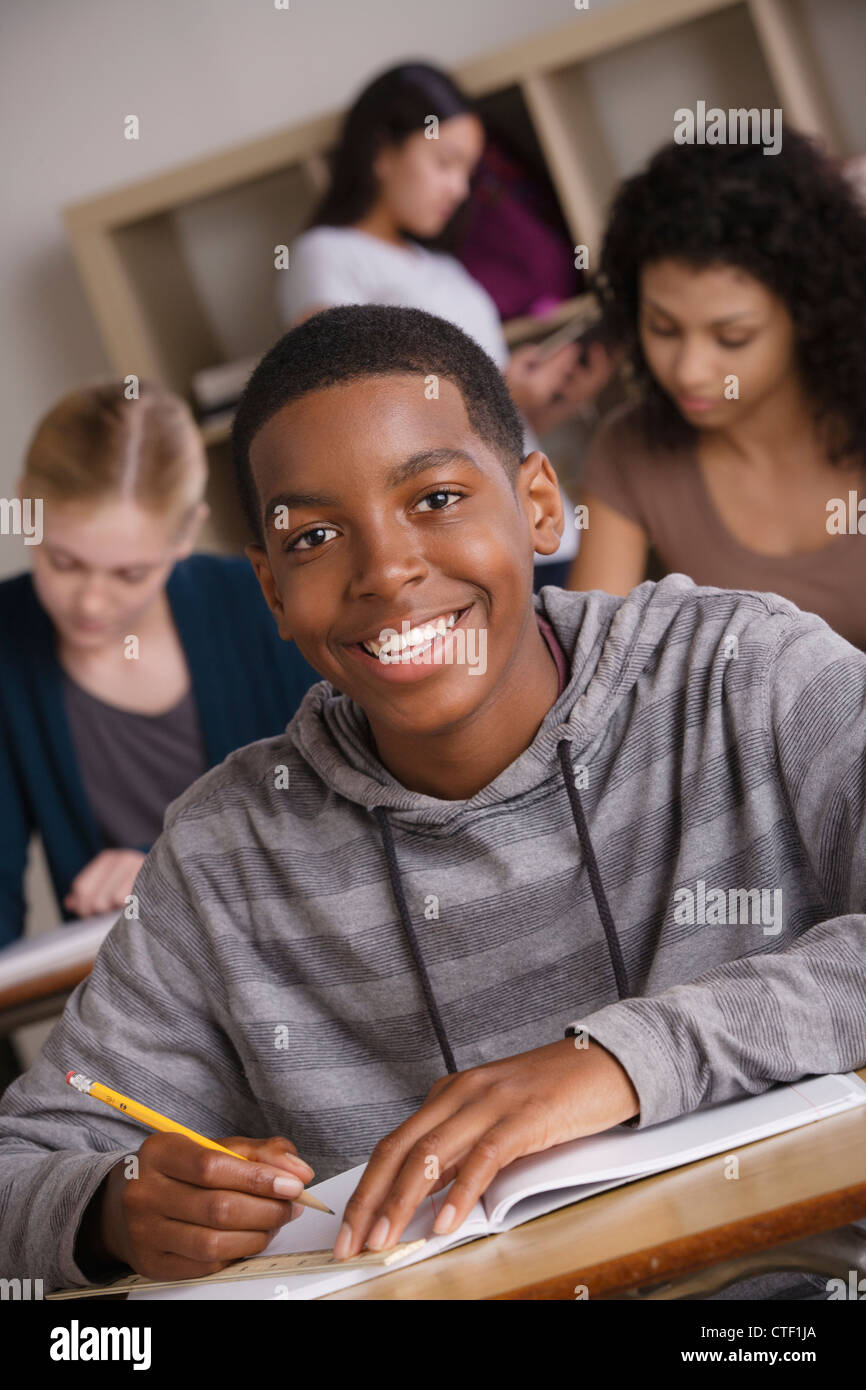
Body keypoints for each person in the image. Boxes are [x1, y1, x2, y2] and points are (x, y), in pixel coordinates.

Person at [0, 306, 863, 1302]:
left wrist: (621, 1062)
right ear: (272, 593)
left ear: (540, 505)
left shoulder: (740, 673)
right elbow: (23, 1164)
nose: (385, 571)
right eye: (314, 535)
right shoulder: (223, 854)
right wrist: (113, 1205)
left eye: (437, 496)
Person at [0, 380, 320, 949]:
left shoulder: (265, 607)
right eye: (64, 562)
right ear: (24, 509)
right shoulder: (7, 642)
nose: (91, 603)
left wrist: (168, 868)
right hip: (142, 1005)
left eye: (130, 574)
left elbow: (343, 816)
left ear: (185, 534)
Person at [277, 61, 615, 589]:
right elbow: (356, 420)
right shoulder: (328, 256)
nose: (459, 189)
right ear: (383, 152)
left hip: (541, 522)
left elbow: (481, 430)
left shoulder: (442, 265)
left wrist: (552, 397)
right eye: (444, 163)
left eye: (467, 172)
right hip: (475, 539)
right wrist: (502, 390)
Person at [566, 131, 866, 649]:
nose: (689, 371)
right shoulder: (631, 451)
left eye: (732, 338)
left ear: (809, 316)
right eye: (663, 328)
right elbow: (591, 665)